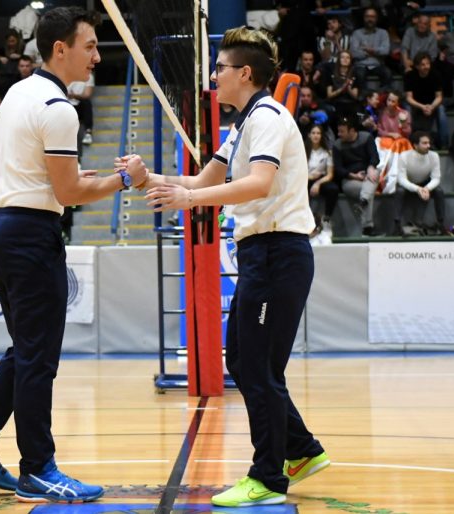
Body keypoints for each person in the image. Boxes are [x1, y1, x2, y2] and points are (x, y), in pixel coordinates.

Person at [0, 6, 146, 503]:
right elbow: (71, 191)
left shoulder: (20, 90)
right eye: (91, 46)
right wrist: (128, 179)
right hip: (30, 233)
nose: (98, 55)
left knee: (25, 350)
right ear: (62, 49)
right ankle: (37, 469)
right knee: (39, 358)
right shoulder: (58, 108)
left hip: (1, 227)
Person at [129, 26, 327, 507]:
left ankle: (267, 479)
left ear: (244, 73)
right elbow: (203, 178)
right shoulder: (242, 124)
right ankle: (301, 449)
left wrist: (191, 198)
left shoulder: (269, 120)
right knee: (242, 360)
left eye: (219, 68)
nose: (213, 75)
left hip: (279, 253)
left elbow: (259, 184)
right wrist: (145, 178)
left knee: (258, 367)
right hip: (262, 256)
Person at [393, 131, 449, 236]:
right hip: (409, 185)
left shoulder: (434, 156)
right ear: (415, 145)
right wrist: (417, 189)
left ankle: (441, 224)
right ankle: (397, 225)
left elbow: (436, 178)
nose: (428, 145)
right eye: (424, 143)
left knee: (439, 191)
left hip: (425, 184)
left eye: (429, 143)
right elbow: (401, 179)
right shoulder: (404, 156)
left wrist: (426, 188)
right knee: (399, 191)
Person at [333, 117, 381, 236]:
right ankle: (367, 226)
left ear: (352, 130)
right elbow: (338, 169)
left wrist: (370, 168)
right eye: (338, 131)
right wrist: (354, 176)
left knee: (375, 173)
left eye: (342, 131)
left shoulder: (366, 137)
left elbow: (374, 157)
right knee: (369, 190)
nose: (339, 134)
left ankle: (364, 204)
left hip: (368, 175)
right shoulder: (337, 145)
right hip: (350, 180)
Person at [404, 51, 448, 149]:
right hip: (415, 104)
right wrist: (422, 107)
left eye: (428, 64)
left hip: (432, 104)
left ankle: (444, 144)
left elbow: (439, 97)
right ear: (417, 66)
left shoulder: (435, 75)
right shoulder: (409, 76)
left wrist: (431, 107)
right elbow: (409, 98)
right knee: (406, 109)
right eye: (423, 65)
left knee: (441, 110)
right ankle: (407, 141)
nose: (426, 66)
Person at [306, 125, 337, 245]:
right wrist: (309, 177)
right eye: (313, 133)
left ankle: (326, 219)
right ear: (309, 135)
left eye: (318, 133)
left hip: (321, 179)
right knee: (301, 189)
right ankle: (307, 222)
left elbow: (329, 174)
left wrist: (318, 183)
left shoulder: (327, 153)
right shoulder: (303, 151)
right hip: (305, 179)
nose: (315, 135)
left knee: (333, 189)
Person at [350, 8, 391, 89]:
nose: (370, 19)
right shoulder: (356, 33)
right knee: (359, 75)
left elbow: (386, 51)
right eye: (367, 16)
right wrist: (375, 52)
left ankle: (382, 96)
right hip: (360, 65)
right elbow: (354, 53)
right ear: (364, 18)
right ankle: (363, 98)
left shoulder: (383, 33)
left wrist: (369, 50)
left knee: (387, 73)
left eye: (372, 17)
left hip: (377, 65)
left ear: (376, 18)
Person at [67, 71, 95, 148]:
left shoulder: (88, 76)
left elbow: (87, 95)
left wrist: (74, 96)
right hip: (66, 104)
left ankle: (88, 133)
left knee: (86, 102)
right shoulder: (65, 74)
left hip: (79, 104)